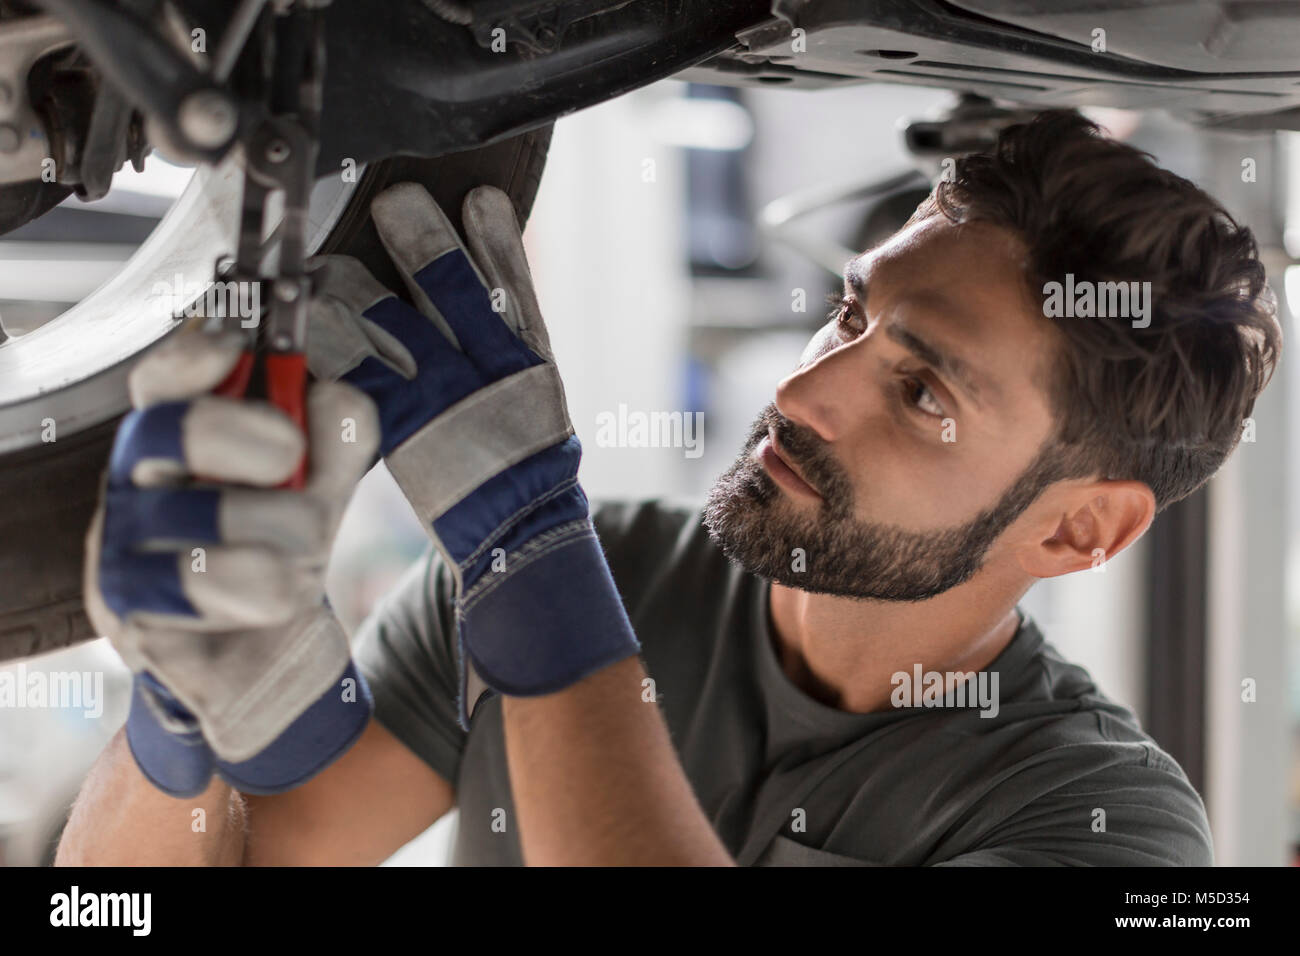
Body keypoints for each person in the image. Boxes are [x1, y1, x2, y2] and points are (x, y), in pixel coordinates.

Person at [57, 110, 1279, 866]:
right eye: (852, 313)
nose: (809, 392)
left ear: (1079, 526)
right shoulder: (603, 577)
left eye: (923, 393)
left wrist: (533, 572)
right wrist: (179, 711)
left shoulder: (1101, 821)